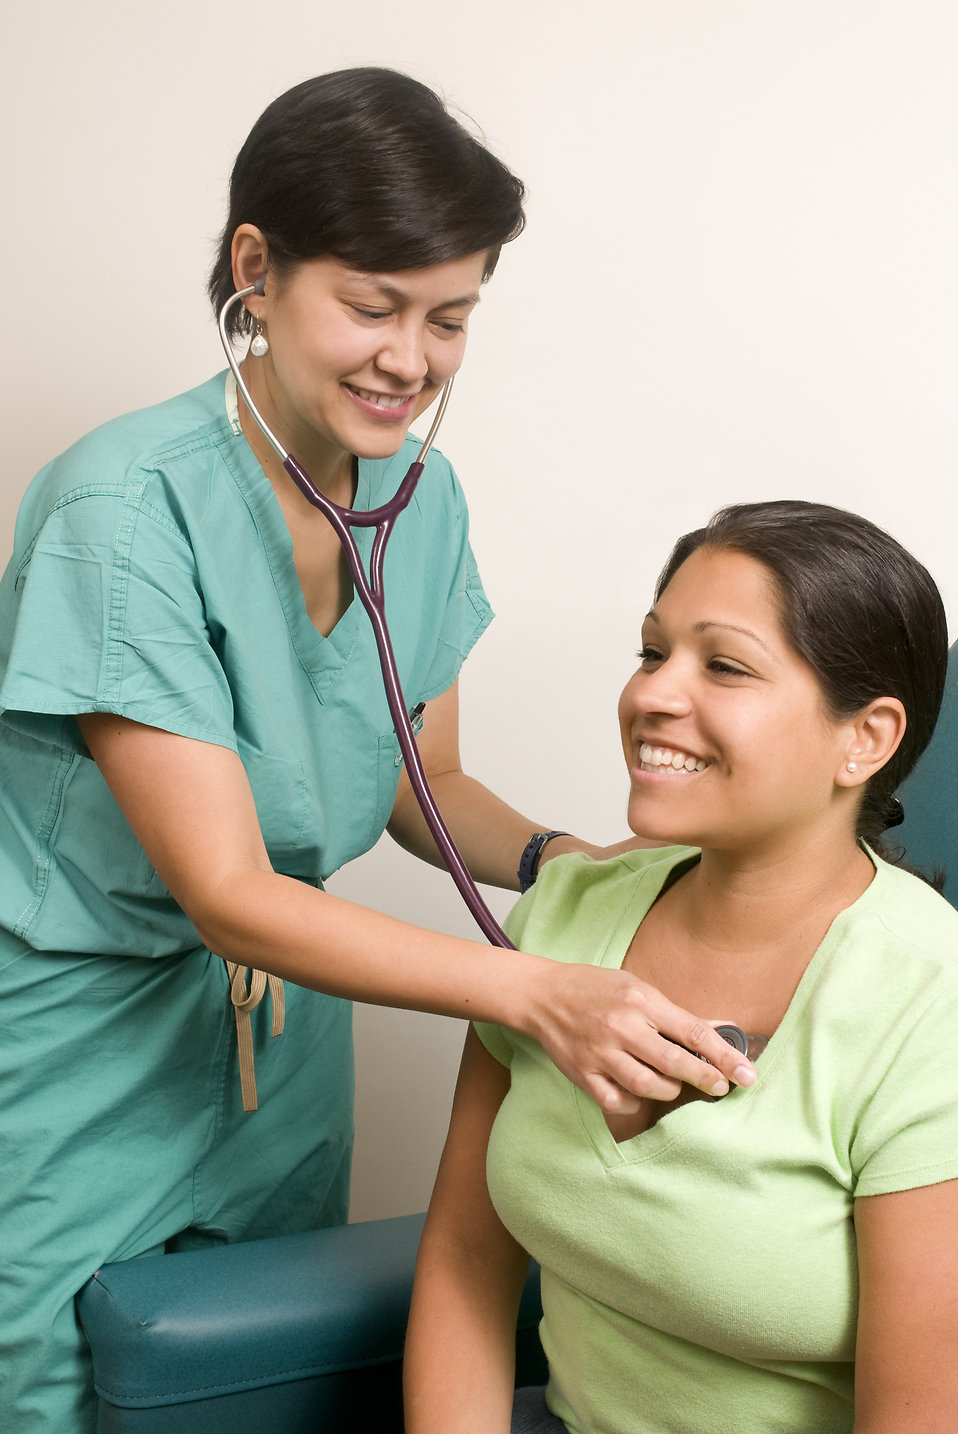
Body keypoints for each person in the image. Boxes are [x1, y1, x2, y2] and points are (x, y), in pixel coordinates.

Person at [0, 69, 755, 1432]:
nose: (410, 357)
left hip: (282, 1039)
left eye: (450, 317)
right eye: (372, 304)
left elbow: (429, 783)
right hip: (75, 1043)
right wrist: (533, 992)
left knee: (252, 1390)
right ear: (256, 269)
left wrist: (565, 862)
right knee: (49, 1398)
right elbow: (226, 887)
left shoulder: (419, 492)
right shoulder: (122, 508)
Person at [404, 499, 958, 1434]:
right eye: (654, 652)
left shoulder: (923, 1003)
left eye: (725, 666)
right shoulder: (565, 912)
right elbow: (464, 1264)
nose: (653, 695)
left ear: (864, 738)